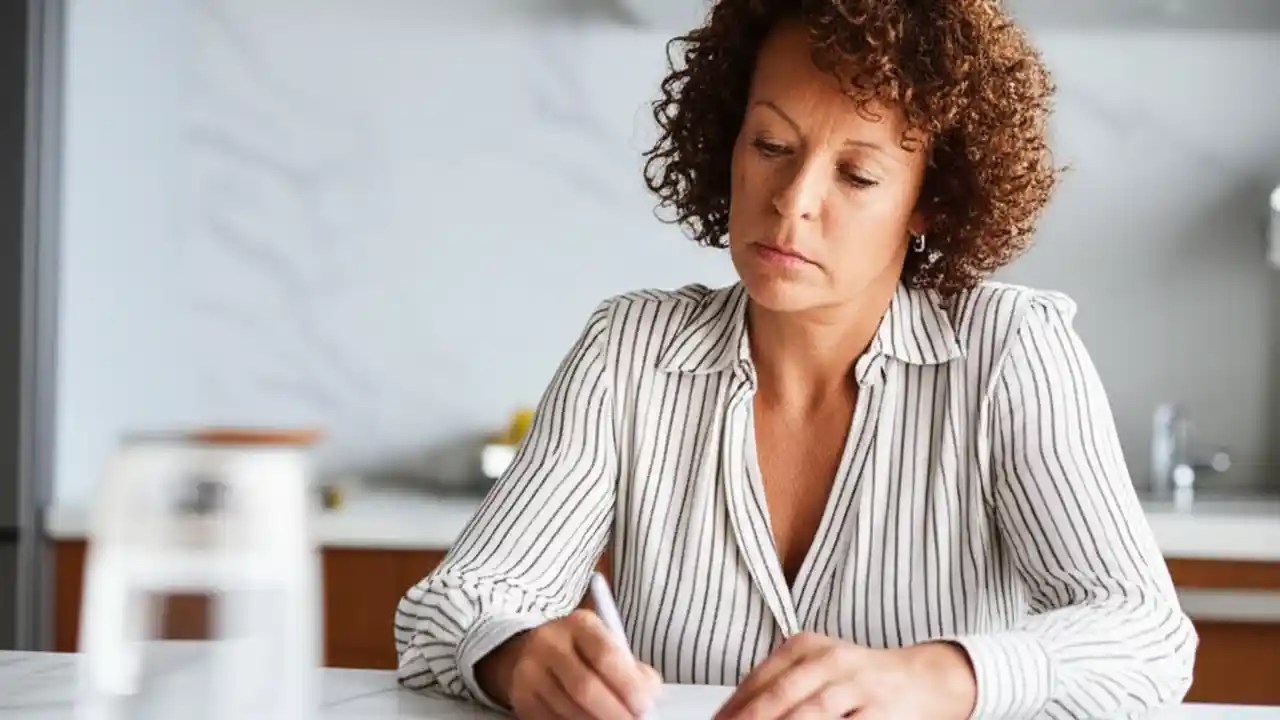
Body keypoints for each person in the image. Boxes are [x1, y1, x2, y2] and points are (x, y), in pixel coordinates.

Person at [395, 0, 1197, 717]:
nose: (793, 199)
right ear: (728, 143)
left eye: (856, 173)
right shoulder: (628, 353)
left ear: (930, 201)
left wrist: (940, 678)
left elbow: (1147, 638)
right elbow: (447, 611)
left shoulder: (1007, 352)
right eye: (771, 143)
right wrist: (517, 656)